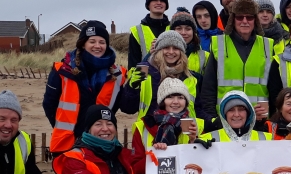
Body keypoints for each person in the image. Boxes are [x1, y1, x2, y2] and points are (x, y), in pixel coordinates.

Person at [43, 20, 127, 158]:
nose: (97, 46)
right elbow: (49, 104)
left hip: (101, 143)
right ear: (83, 43)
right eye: (92, 41)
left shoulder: (117, 74)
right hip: (67, 143)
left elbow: (116, 106)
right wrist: (65, 129)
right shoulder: (63, 70)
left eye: (102, 42)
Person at [199, 0, 274, 127]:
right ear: (233, 20)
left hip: (259, 122)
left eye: (249, 17)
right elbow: (208, 89)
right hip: (224, 121)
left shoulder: (267, 46)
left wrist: (270, 116)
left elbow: (274, 89)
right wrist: (213, 119)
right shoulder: (219, 44)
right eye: (240, 17)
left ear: (255, 20)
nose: (244, 21)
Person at [120, 30, 205, 124]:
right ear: (158, 50)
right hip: (150, 132)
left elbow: (198, 111)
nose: (171, 52)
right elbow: (127, 109)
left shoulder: (191, 78)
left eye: (176, 48)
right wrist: (132, 87)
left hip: (183, 134)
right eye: (166, 48)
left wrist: (212, 122)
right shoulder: (143, 72)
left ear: (182, 52)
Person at [130, 78, 202, 163]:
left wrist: (193, 141)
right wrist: (156, 154)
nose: (176, 102)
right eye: (170, 97)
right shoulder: (143, 126)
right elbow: (135, 167)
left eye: (180, 97)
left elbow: (203, 164)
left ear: (185, 102)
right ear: (162, 101)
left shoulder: (197, 125)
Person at [200, 90, 272, 142]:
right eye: (231, 110)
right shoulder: (207, 139)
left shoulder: (268, 139)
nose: (237, 114)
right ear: (224, 115)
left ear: (248, 113)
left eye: (241, 109)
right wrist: (196, 146)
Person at [128, 0, 172, 69]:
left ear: (166, 5)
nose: (159, 3)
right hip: (147, 79)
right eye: (155, 0)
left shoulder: (173, 28)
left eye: (162, 0)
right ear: (148, 4)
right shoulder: (137, 31)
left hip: (171, 78)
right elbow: (133, 65)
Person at [170, 9, 209, 75]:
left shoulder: (205, 56)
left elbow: (209, 81)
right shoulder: (164, 54)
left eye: (188, 29)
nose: (183, 33)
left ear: (194, 32)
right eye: (179, 28)